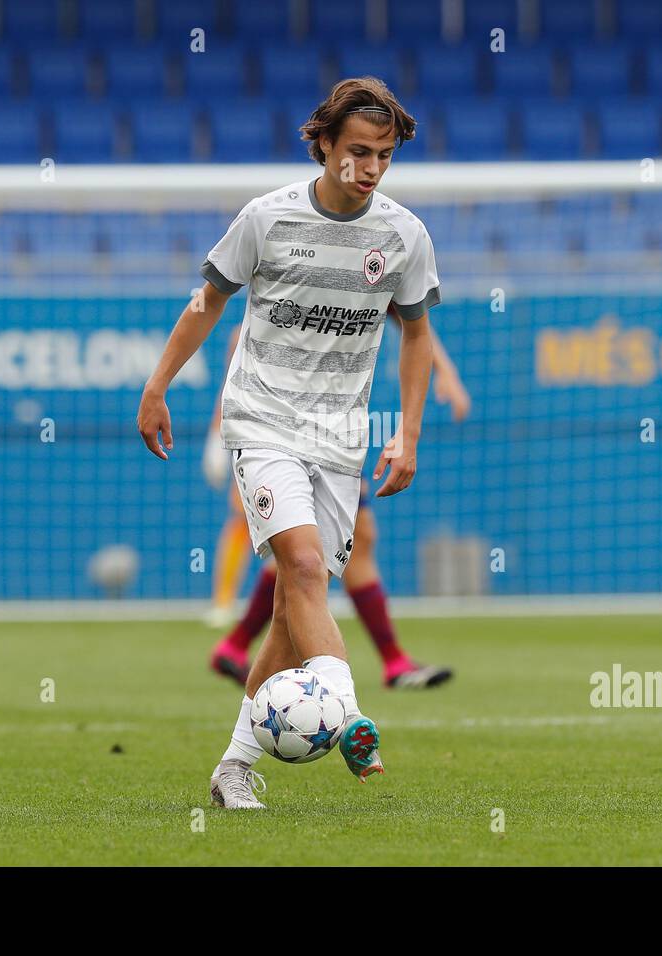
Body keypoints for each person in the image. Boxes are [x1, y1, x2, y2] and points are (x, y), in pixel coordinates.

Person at [138, 77, 439, 808]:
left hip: (342, 438)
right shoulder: (266, 219)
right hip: (263, 421)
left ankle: (234, 767)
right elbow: (206, 303)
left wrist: (407, 434)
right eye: (358, 153)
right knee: (300, 568)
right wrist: (157, 387)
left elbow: (418, 334)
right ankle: (351, 708)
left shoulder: (403, 236)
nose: (369, 169)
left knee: (286, 613)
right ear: (325, 145)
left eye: (384, 157)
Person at [208, 310, 470, 690]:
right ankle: (388, 664)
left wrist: (446, 371)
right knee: (314, 551)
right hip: (299, 432)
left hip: (332, 427)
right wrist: (220, 426)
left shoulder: (375, 263)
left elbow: (410, 315)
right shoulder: (290, 281)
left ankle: (236, 646)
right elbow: (238, 337)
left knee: (323, 549)